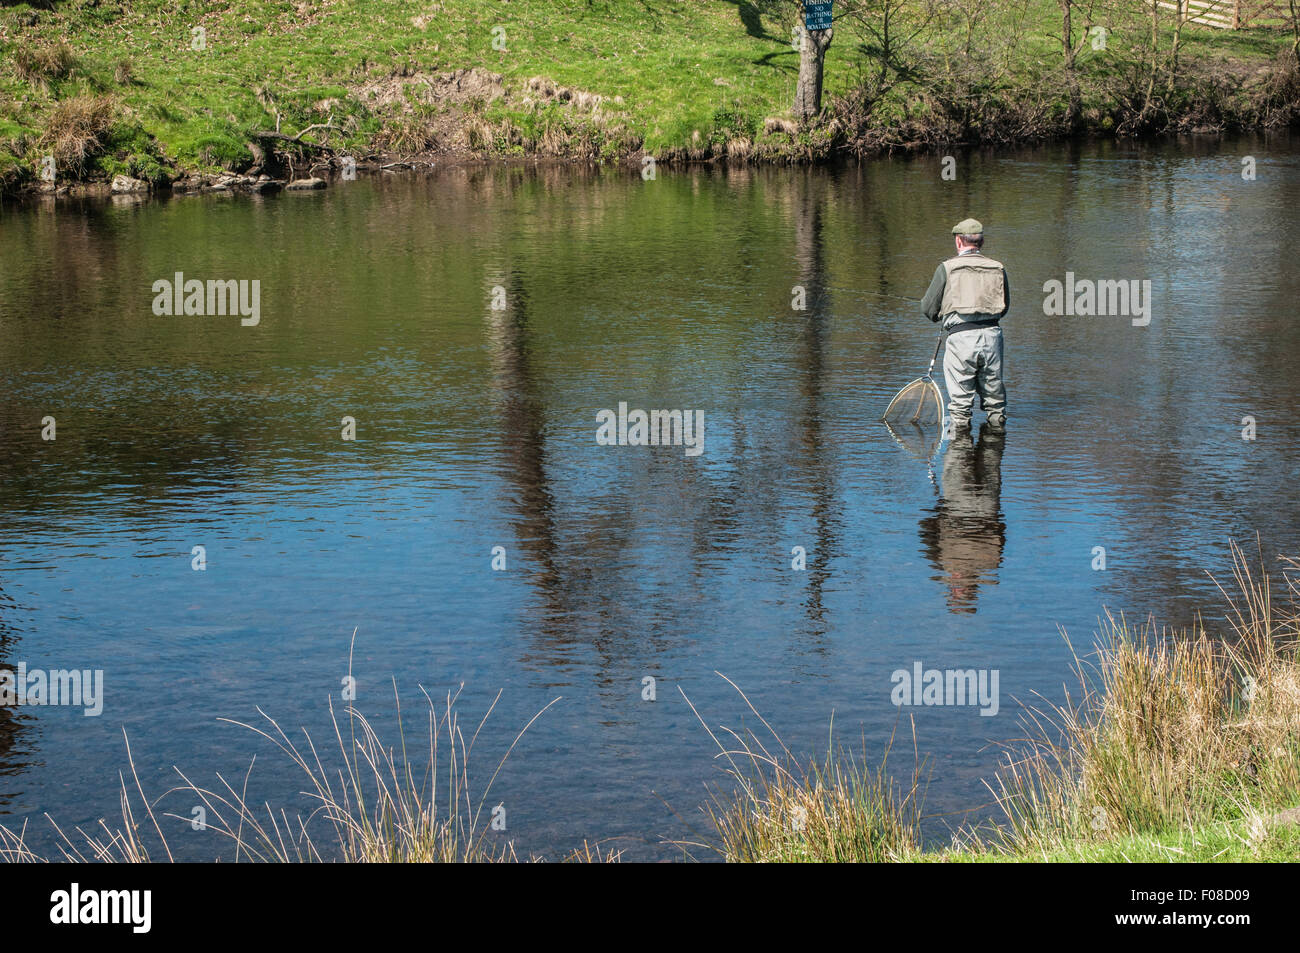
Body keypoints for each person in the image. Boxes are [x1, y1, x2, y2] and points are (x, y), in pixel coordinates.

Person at [920, 218, 1009, 430]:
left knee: (960, 408)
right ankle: (994, 454)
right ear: (982, 242)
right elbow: (1004, 307)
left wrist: (940, 316)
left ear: (959, 241)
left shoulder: (947, 268)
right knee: (995, 403)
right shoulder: (998, 268)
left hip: (960, 340)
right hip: (992, 338)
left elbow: (928, 308)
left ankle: (959, 455)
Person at [919, 422, 1006, 613]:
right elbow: (925, 528)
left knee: (988, 449)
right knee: (959, 444)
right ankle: (986, 418)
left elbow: (1001, 529)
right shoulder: (941, 567)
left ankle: (965, 418)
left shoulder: (991, 566)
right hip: (958, 508)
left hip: (988, 507)